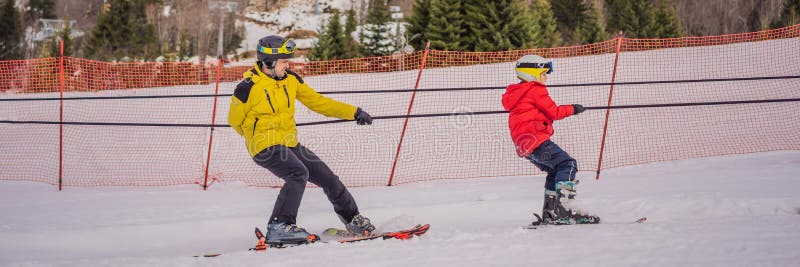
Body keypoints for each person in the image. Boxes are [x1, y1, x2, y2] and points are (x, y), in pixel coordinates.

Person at [228, 35, 376, 245]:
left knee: (327, 177)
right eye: (284, 61)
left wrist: (354, 112)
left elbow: (318, 102)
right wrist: (256, 136)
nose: (288, 65)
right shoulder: (247, 87)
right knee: (298, 173)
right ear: (268, 62)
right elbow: (234, 120)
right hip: (264, 145)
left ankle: (353, 220)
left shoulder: (291, 80)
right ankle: (279, 225)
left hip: (289, 143)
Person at [501, 54, 599, 225]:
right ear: (532, 74)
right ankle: (565, 209)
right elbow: (554, 112)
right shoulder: (535, 89)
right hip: (536, 140)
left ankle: (550, 211)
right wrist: (573, 109)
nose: (546, 77)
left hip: (524, 145)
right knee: (568, 164)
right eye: (544, 73)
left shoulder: (516, 93)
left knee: (554, 171)